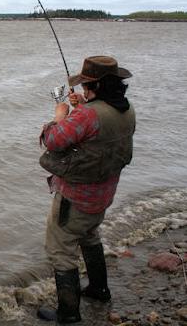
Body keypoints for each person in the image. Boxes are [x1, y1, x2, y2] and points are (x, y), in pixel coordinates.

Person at [37, 56, 136, 323]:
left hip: (75, 197)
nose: (82, 91)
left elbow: (54, 141)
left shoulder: (88, 114)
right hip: (104, 194)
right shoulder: (126, 110)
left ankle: (68, 313)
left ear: (97, 86)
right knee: (90, 235)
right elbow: (99, 133)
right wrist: (84, 106)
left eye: (86, 86)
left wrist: (59, 117)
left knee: (60, 247)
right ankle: (99, 289)